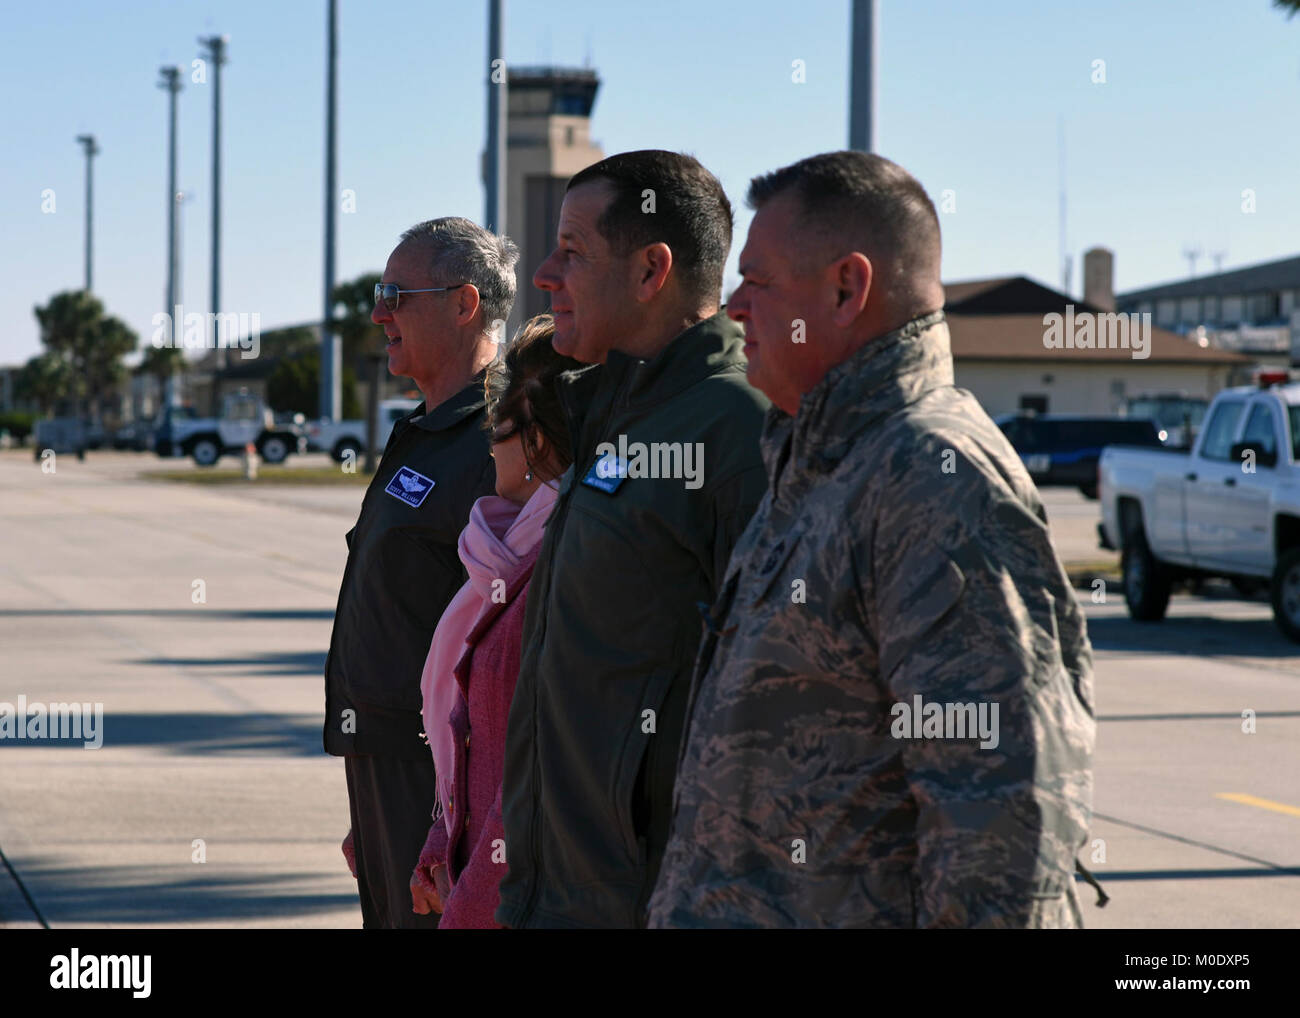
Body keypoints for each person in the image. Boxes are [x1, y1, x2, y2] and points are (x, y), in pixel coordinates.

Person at [647, 151, 1097, 929]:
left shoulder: (931, 475)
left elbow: (1000, 826)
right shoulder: (819, 459)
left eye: (757, 283)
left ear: (847, 288)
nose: (734, 311)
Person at [496, 151, 770, 929]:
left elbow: (773, 706)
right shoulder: (616, 414)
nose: (546, 275)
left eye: (572, 253)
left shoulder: (738, 428)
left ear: (653, 270)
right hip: (555, 895)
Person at [324, 217, 517, 928]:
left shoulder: (501, 438)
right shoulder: (425, 428)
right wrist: (368, 806)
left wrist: (448, 810)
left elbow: (505, 633)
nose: (379, 313)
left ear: (463, 304)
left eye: (395, 294)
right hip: (384, 768)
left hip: (441, 777)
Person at [408, 315, 583, 927]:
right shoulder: (508, 557)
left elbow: (532, 786)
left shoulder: (564, 567)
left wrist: (469, 907)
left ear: (538, 444)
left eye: (498, 429)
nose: (489, 445)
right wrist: (441, 840)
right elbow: (473, 734)